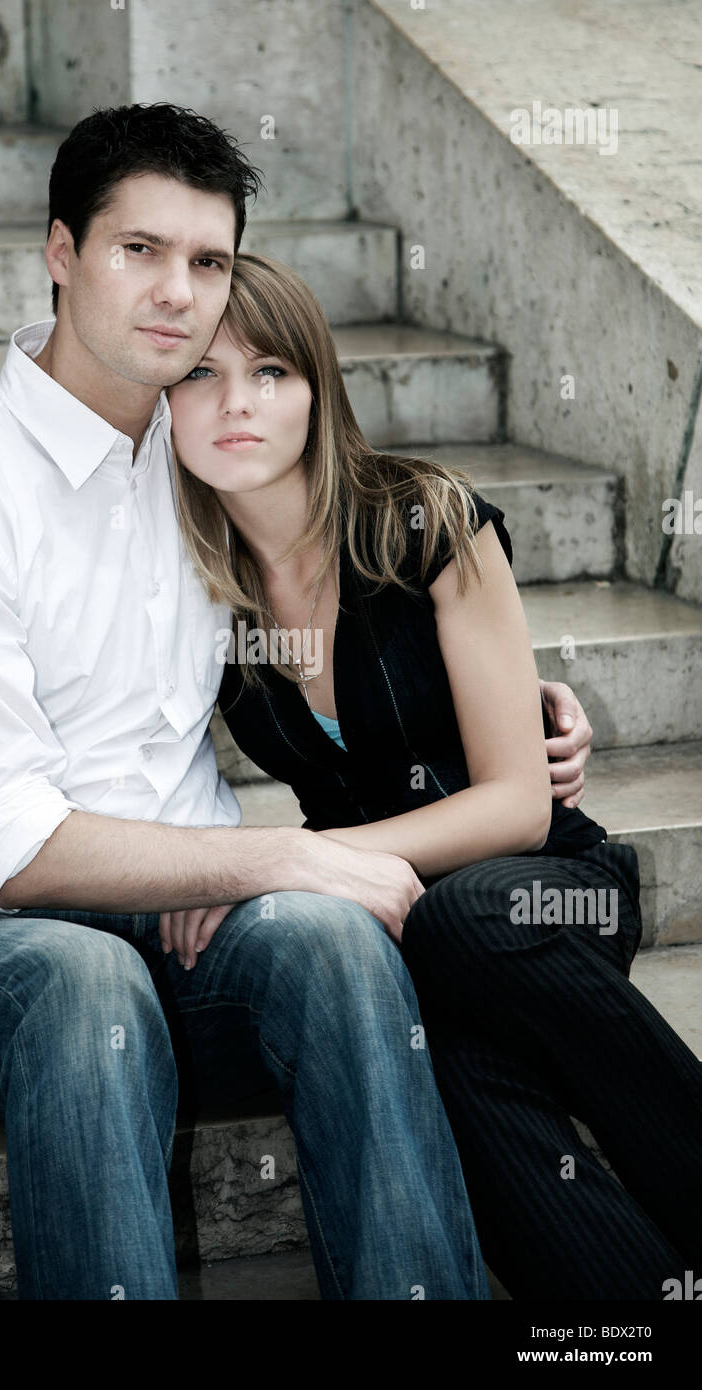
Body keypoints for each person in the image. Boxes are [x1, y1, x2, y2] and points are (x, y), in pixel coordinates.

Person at [0, 102, 499, 1301]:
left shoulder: (202, 449)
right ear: (61, 253)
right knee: (91, 980)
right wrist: (270, 859)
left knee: (329, 941)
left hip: (194, 933)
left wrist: (514, 694)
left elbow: (345, 591)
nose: (176, 291)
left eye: (206, 260)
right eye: (137, 250)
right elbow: (17, 849)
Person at [154, 250, 700, 1301]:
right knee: (450, 1074)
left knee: (457, 924)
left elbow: (513, 802)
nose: (238, 405)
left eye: (270, 373)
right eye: (201, 377)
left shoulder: (425, 522)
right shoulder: (192, 589)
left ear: (317, 389)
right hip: (391, 937)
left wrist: (279, 860)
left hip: (534, 896)